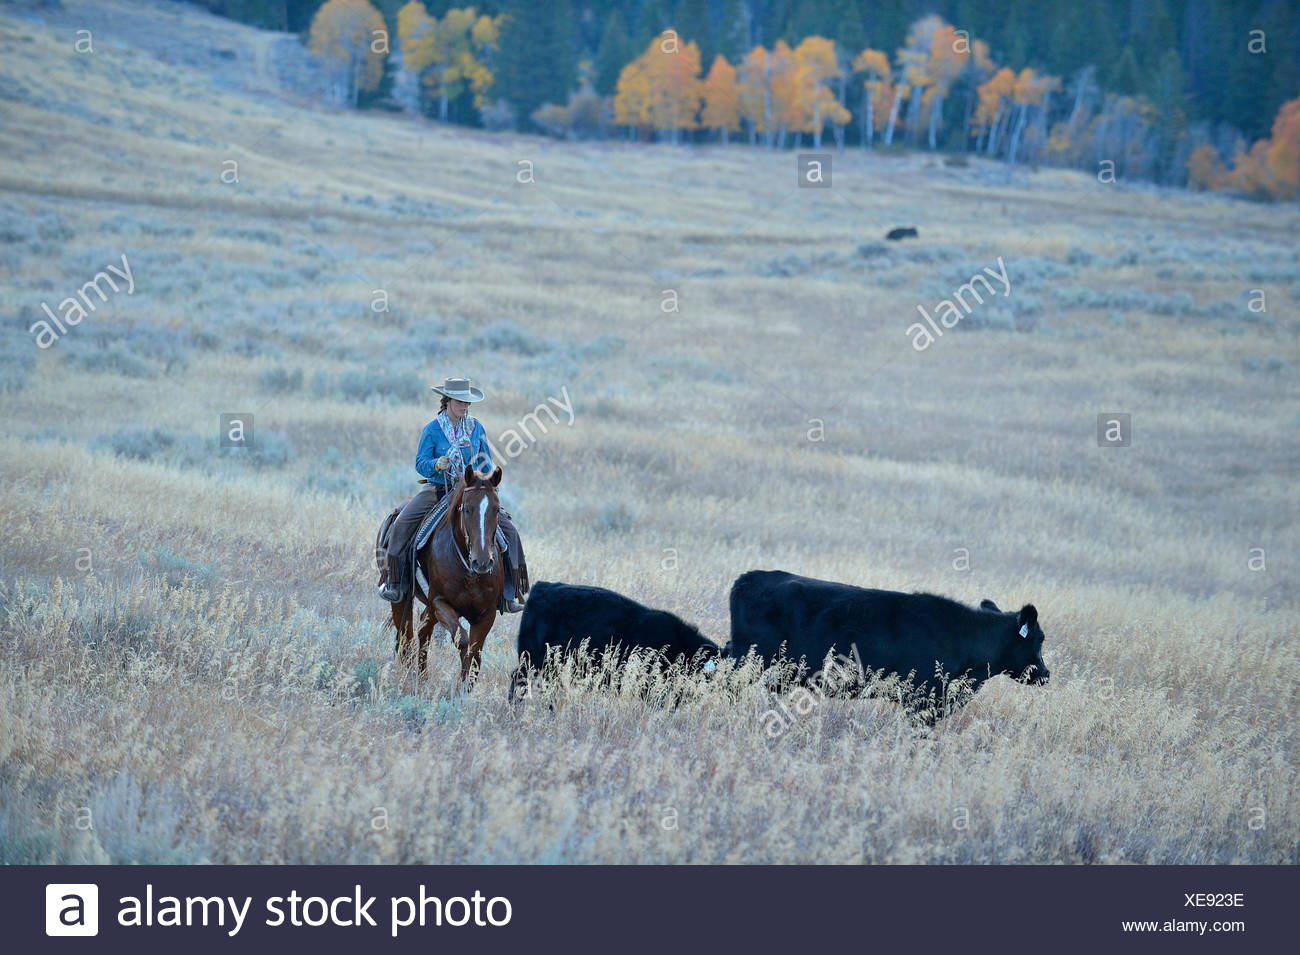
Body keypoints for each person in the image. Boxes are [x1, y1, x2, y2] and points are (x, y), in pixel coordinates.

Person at [378, 376, 529, 611]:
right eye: (460, 401)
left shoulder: (476, 427)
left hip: (471, 490)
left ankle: (510, 592)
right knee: (402, 523)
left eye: (467, 402)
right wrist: (436, 464)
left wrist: (487, 481)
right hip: (438, 490)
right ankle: (395, 583)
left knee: (508, 531)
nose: (465, 406)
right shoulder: (432, 429)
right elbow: (420, 463)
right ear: (447, 400)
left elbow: (486, 461)